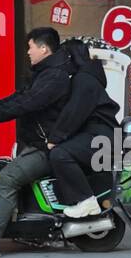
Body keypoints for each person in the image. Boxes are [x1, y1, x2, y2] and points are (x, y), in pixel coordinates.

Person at [0, 27, 71, 258]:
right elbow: (19, 98)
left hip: (46, 148)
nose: (28, 52)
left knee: (8, 177)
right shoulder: (45, 73)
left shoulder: (54, 76)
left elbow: (28, 103)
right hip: (36, 143)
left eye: (30, 47)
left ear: (43, 48)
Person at [47, 39, 121, 217]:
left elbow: (74, 113)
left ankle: (87, 202)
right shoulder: (87, 77)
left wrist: (54, 139)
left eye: (62, 57)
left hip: (101, 137)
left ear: (71, 58)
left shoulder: (83, 79)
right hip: (99, 135)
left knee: (60, 154)